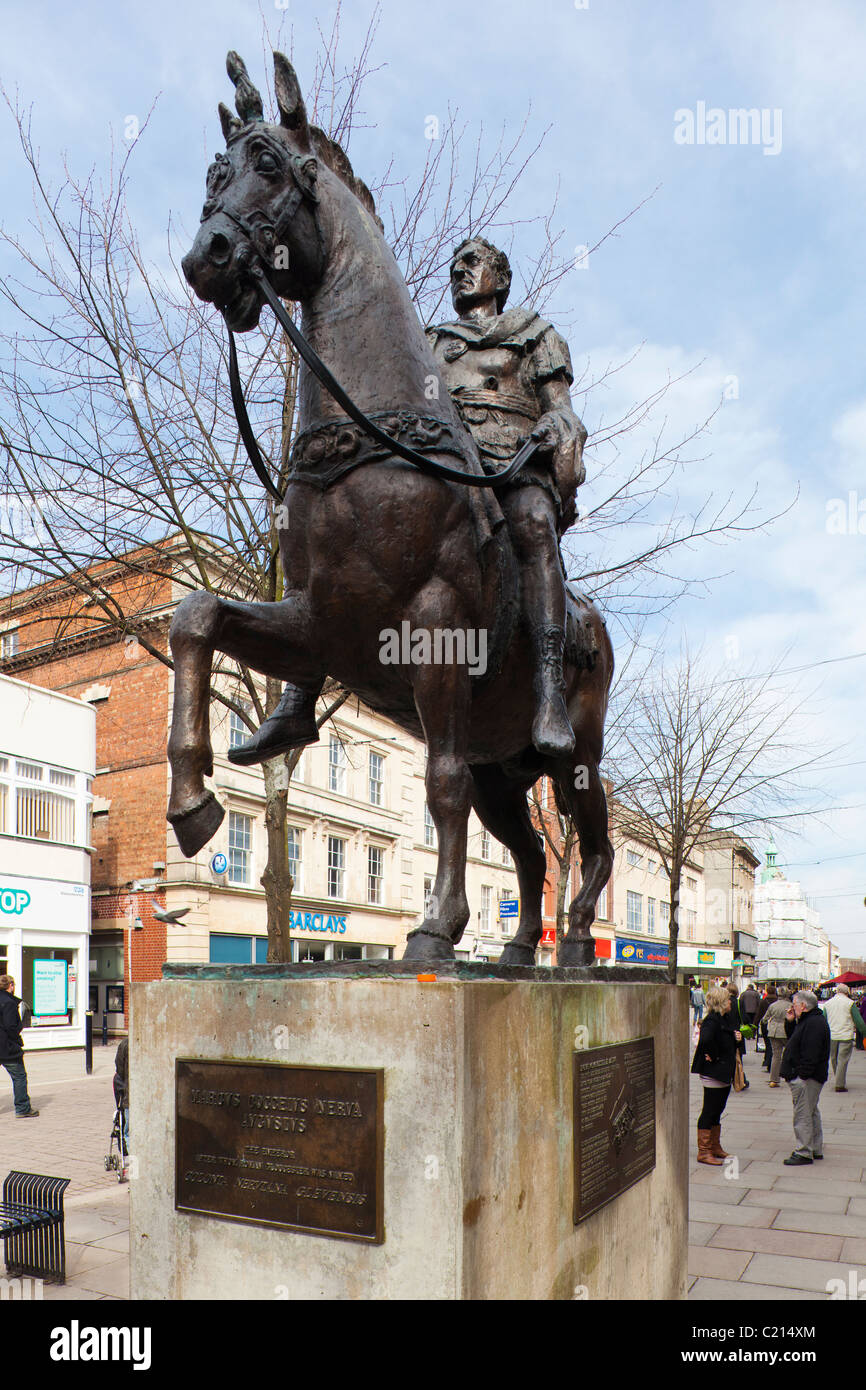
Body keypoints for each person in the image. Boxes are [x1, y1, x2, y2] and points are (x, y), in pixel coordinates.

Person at [231, 237, 588, 766]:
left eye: (473, 264)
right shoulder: (427, 342)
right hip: (445, 460)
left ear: (501, 278)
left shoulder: (535, 335)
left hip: (512, 458)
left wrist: (557, 430)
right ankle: (298, 695)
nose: (460, 272)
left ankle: (549, 686)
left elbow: (561, 408)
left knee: (534, 522)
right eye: (455, 265)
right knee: (338, 525)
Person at [780, 989, 831, 1165]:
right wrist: (790, 1021)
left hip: (807, 1078)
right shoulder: (809, 1020)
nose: (792, 1007)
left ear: (803, 1005)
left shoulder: (814, 1023)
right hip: (810, 1076)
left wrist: (802, 1075)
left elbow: (811, 1052)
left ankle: (803, 1151)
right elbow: (793, 1039)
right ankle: (815, 1148)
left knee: (802, 1113)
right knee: (811, 1111)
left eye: (794, 1004)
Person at [691, 985, 741, 1164]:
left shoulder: (725, 1018)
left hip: (722, 1072)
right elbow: (705, 1040)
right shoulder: (712, 1020)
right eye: (728, 999)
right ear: (721, 1002)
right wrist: (714, 1055)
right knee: (710, 1110)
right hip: (713, 1072)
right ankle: (704, 1151)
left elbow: (726, 1040)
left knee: (718, 1109)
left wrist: (736, 1038)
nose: (730, 1002)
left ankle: (714, 1146)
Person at [0, 974, 39, 1118]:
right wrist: (17, 1037)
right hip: (6, 1047)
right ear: (10, 986)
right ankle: (22, 1108)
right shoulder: (9, 1003)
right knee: (19, 1076)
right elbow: (11, 1026)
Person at [821, 983, 857, 1092]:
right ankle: (840, 1083)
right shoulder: (850, 1003)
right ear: (847, 992)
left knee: (834, 1058)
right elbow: (858, 1020)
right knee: (842, 1060)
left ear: (837, 991)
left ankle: (838, 1078)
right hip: (845, 1035)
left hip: (832, 1035)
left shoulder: (827, 1004)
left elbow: (823, 1019)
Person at [764, 989, 791, 1086]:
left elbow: (765, 1019)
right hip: (785, 1031)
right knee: (789, 1054)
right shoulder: (790, 1005)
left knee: (776, 1056)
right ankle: (789, 1074)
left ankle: (774, 1079)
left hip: (773, 1031)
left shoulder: (773, 1005)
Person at [727, 985, 749, 1088]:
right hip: (738, 1032)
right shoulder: (739, 1002)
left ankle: (728, 1078)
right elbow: (745, 1018)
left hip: (727, 1032)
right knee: (738, 1058)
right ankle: (741, 1079)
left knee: (727, 1056)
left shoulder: (725, 1002)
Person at [113, 1036, 129, 1161]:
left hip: (129, 1099)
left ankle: (135, 1170)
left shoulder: (125, 1044)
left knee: (129, 1133)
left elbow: (120, 1070)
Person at [755, 985, 778, 1071]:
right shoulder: (777, 1001)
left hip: (765, 1024)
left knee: (768, 1044)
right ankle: (769, 1061)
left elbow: (759, 1014)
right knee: (774, 1045)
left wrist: (755, 1025)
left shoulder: (763, 1001)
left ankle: (767, 1061)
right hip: (775, 1025)